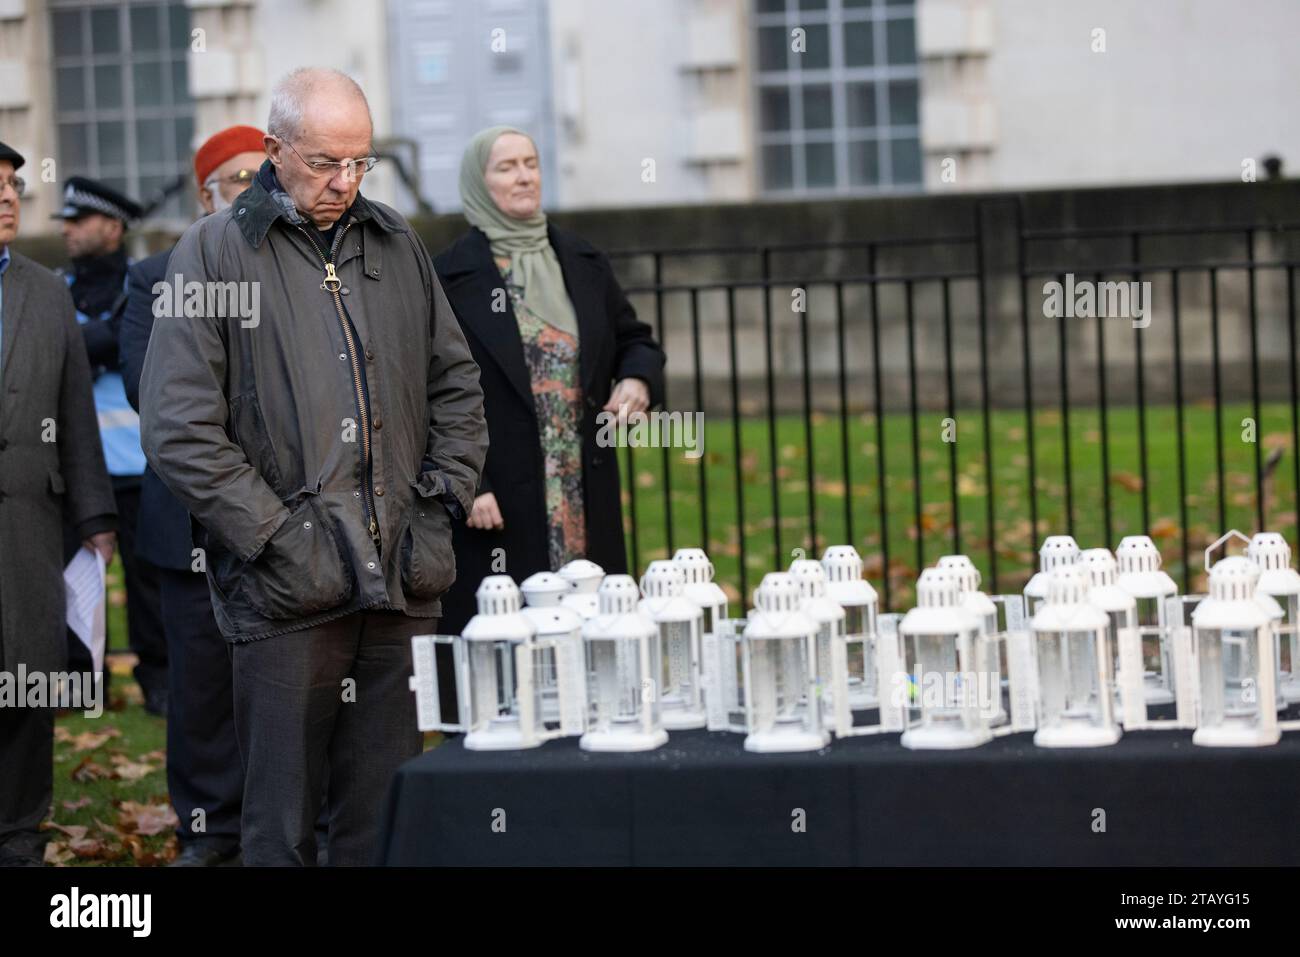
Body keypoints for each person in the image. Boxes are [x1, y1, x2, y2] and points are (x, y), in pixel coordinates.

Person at [139, 68, 487, 866]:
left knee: (380, 820)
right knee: (279, 831)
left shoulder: (396, 242)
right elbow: (179, 426)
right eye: (327, 161)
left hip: (400, 579)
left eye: (361, 162)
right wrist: (279, 538)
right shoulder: (211, 253)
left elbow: (456, 387)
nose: (345, 181)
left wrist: (436, 509)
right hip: (287, 595)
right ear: (273, 150)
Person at [433, 126, 665, 636]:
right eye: (507, 167)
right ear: (479, 181)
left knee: (596, 635)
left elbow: (635, 340)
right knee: (513, 645)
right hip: (498, 502)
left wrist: (636, 381)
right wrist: (468, 482)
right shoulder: (447, 275)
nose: (524, 177)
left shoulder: (580, 261)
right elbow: (426, 391)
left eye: (531, 163)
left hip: (584, 488)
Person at [119, 125, 268, 867]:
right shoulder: (154, 277)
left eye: (257, 174)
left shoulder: (294, 268)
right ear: (205, 189)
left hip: (281, 521)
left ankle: (291, 824)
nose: (246, 187)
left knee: (287, 688)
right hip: (187, 528)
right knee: (202, 691)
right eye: (232, 177)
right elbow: (157, 395)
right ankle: (210, 832)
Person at [0, 142, 117, 867]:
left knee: (25, 669)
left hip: (29, 523)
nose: (8, 197)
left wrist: (96, 518)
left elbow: (76, 411)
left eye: (11, 184)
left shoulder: (48, 291)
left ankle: (18, 828)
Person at [56, 176, 167, 715]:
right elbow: (69, 350)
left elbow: (113, 349)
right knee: (77, 581)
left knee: (149, 586)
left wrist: (85, 345)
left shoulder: (143, 286)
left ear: (114, 227)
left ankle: (160, 686)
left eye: (80, 221)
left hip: (138, 467)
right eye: (67, 221)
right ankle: (83, 685)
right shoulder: (53, 288)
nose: (68, 230)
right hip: (75, 469)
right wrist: (96, 345)